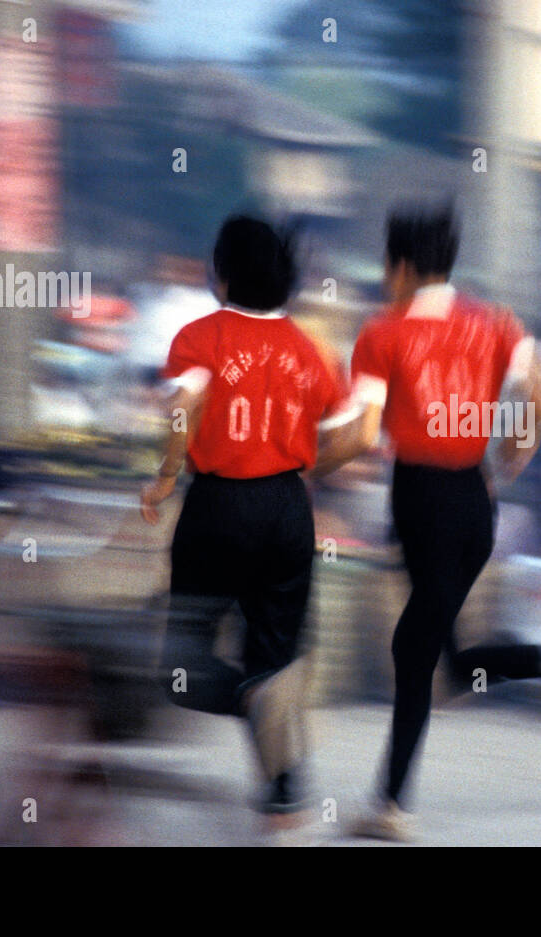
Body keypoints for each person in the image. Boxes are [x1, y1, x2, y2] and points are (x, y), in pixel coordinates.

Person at [346, 205, 541, 841]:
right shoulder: (493, 321)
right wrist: (516, 449)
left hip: (423, 504)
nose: (384, 276)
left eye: (386, 265)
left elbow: (360, 432)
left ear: (401, 266)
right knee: (453, 662)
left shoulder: (382, 332)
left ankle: (391, 805)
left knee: (413, 649)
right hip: (472, 500)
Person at [139, 215, 366, 827]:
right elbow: (353, 436)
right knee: (276, 658)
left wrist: (166, 474)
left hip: (218, 508)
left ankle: (250, 699)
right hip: (288, 511)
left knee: (182, 670)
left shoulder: (199, 337)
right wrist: (304, 469)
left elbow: (185, 406)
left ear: (221, 275)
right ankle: (285, 802)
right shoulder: (311, 351)